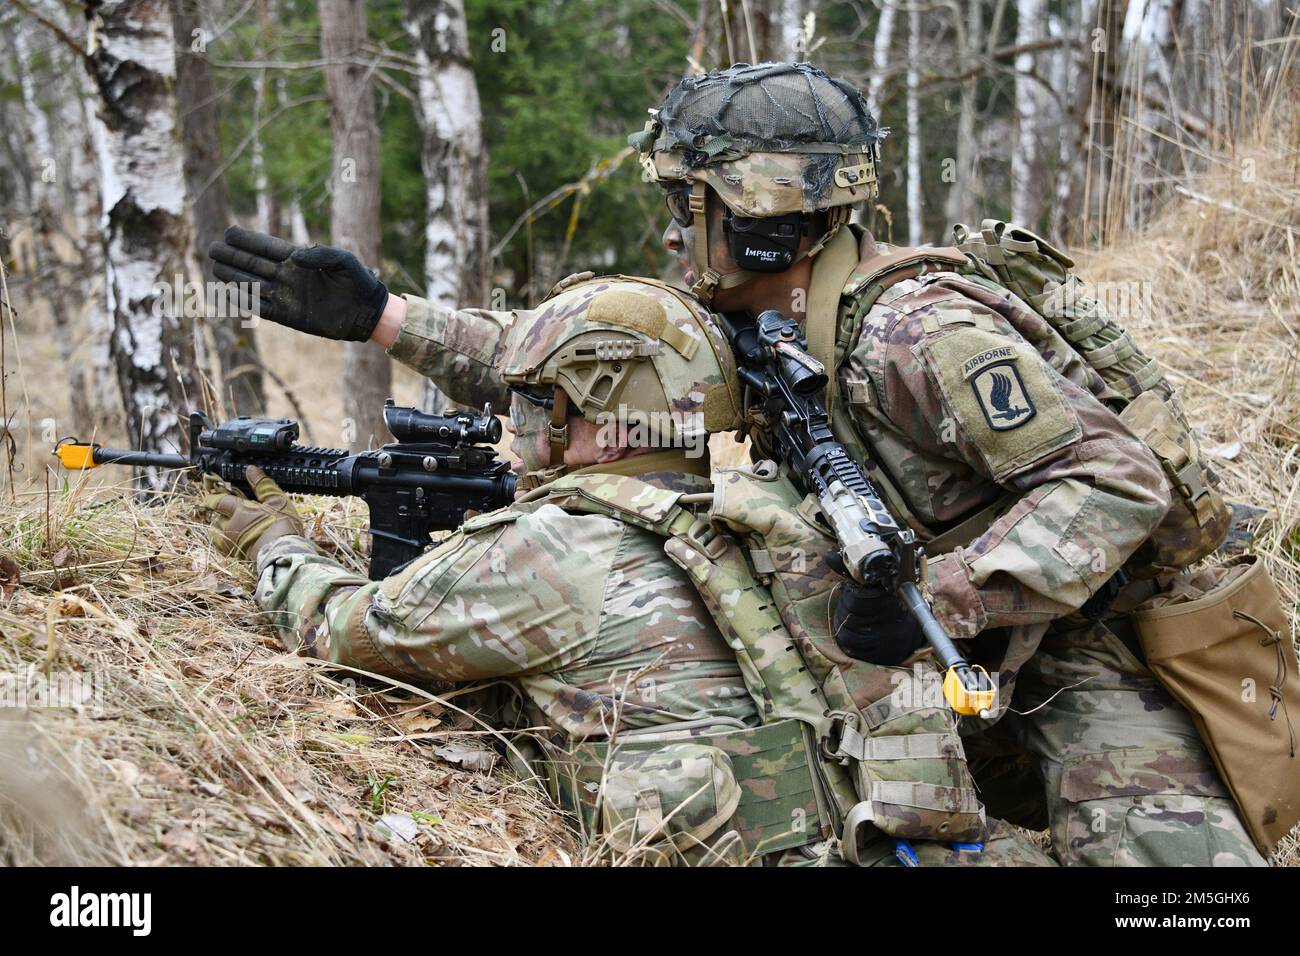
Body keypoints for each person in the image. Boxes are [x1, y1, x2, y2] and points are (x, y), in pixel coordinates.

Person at [206, 63, 1261, 866]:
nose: (677, 237)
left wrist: (941, 593)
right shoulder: (768, 316)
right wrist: (386, 318)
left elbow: (1116, 480)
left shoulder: (915, 330)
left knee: (1165, 869)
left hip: (1085, 635)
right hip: (937, 644)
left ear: (761, 223)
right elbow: (593, 370)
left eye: (689, 208)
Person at [200, 272, 1054, 866]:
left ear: (601, 419)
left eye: (538, 401)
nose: (521, 423)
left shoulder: (554, 547)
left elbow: (340, 629)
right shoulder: (788, 515)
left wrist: (270, 537)